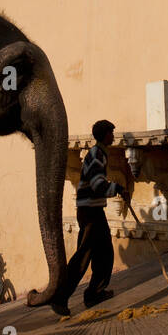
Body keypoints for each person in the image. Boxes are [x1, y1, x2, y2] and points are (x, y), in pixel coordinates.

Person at [51, 120, 127, 316]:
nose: (113, 136)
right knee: (84, 255)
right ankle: (60, 298)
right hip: (89, 213)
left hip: (94, 211)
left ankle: (95, 292)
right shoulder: (96, 154)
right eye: (111, 132)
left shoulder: (100, 153)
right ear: (104, 134)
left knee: (105, 252)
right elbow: (96, 184)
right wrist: (116, 188)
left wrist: (114, 188)